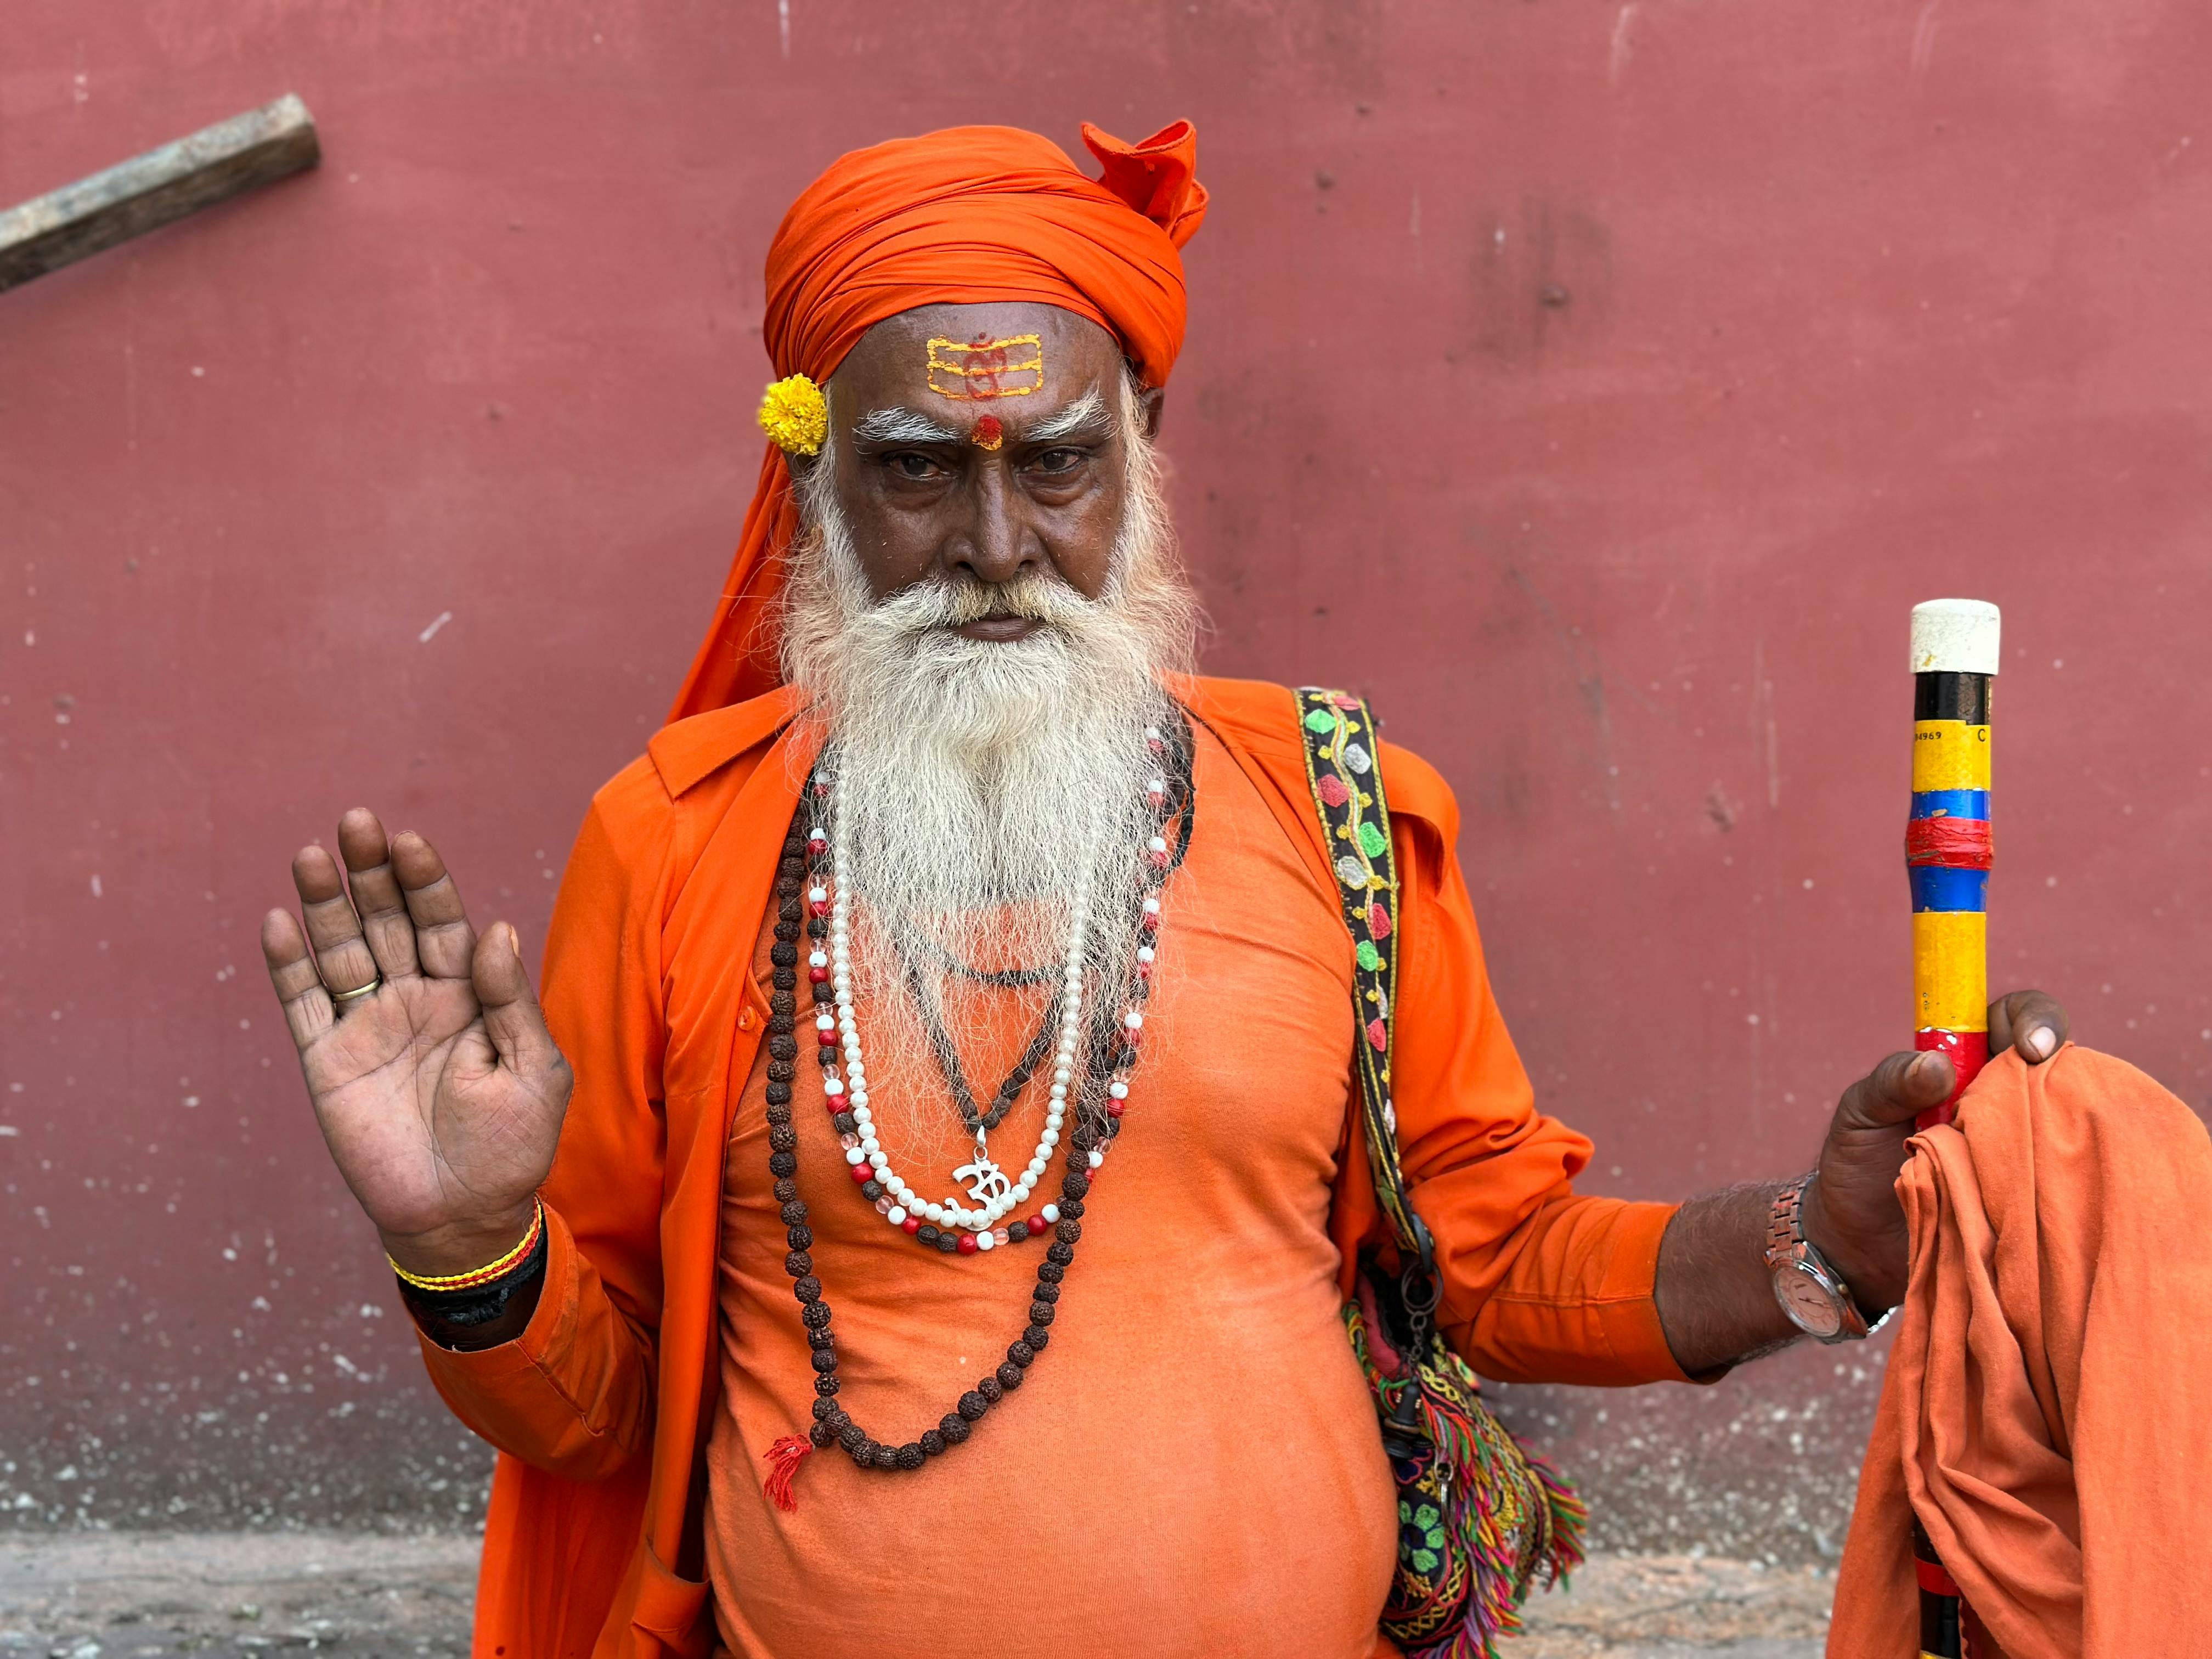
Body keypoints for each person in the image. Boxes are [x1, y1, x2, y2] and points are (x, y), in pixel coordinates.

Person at [258, 121, 2068, 1659]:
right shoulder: (672, 843)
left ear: (1140, 462)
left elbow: (1497, 1264)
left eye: (1055, 464)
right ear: (812, 480)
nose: (993, 547)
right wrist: (462, 1247)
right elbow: (610, 1413)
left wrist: (1819, 1243)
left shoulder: (1333, 804)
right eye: (913, 477)